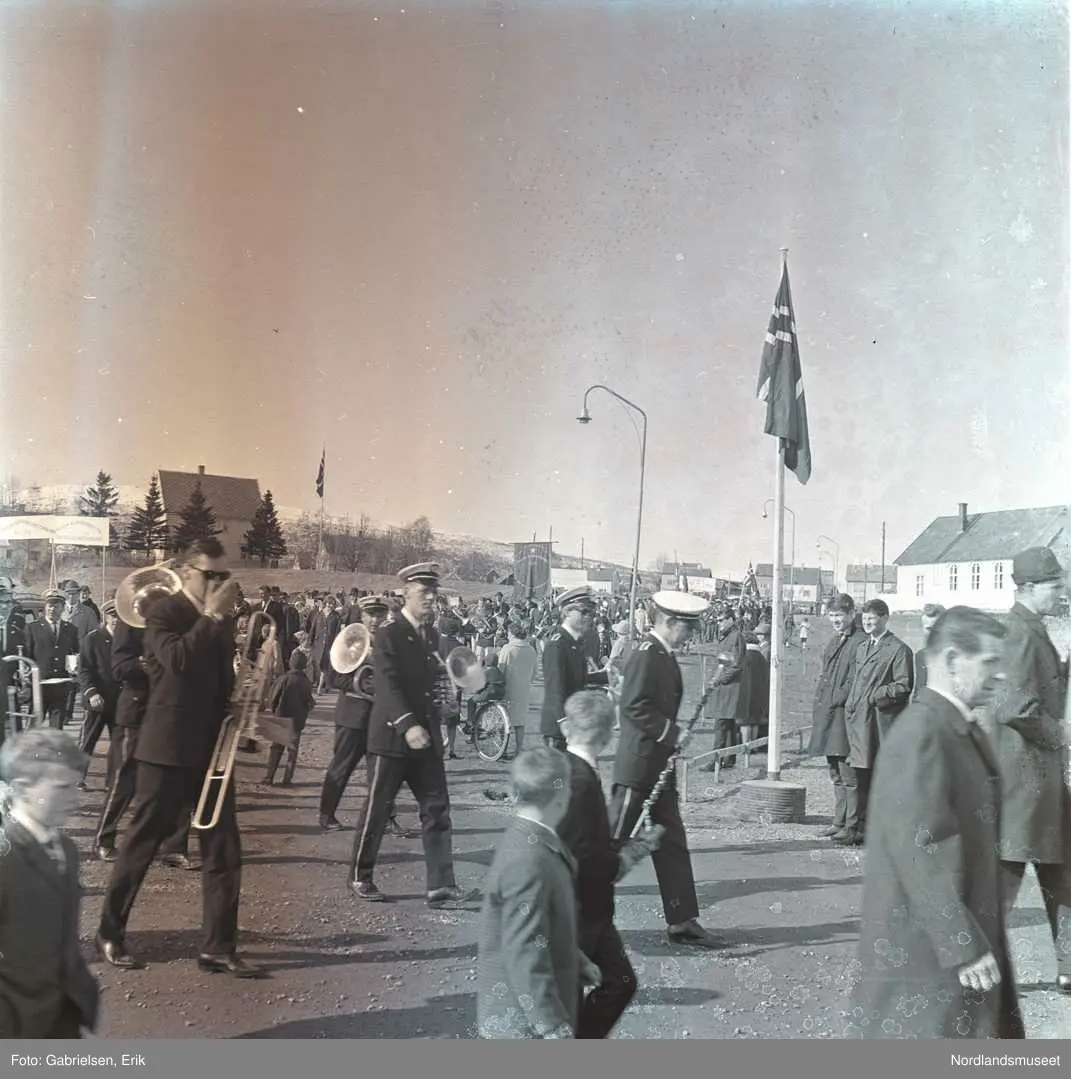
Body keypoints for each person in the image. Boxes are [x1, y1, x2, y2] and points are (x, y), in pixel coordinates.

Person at [851, 606, 1024, 1039]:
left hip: (951, 946)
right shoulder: (923, 732)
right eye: (989, 663)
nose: (999, 677)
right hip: (927, 955)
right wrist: (962, 946)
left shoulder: (956, 725)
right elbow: (920, 848)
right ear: (950, 661)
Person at [96, 538, 260, 977]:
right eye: (212, 575)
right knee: (140, 843)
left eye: (225, 577)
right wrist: (212, 616)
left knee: (223, 849)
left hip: (208, 749)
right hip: (166, 748)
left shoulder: (219, 620)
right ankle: (110, 932)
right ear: (187, 571)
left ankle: (217, 948)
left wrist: (239, 708)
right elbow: (178, 662)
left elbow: (216, 682)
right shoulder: (164, 612)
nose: (220, 584)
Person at [349, 563, 470, 905]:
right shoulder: (389, 633)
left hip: (425, 738)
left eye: (434, 592)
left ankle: (441, 884)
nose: (431, 598)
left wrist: (445, 703)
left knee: (437, 810)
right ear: (406, 593)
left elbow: (431, 679)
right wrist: (408, 724)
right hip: (391, 737)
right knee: (377, 808)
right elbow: (387, 685)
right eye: (424, 592)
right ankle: (361, 875)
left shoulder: (430, 634)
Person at [609, 590, 722, 949]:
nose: (691, 635)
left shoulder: (664, 654)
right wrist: (671, 733)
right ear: (668, 622)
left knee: (671, 843)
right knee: (610, 846)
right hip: (638, 768)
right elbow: (633, 706)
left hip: (658, 768)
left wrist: (671, 738)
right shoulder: (646, 655)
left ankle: (681, 919)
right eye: (687, 628)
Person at [989, 546, 1070, 995]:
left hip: (1040, 779)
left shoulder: (1032, 628)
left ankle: (1068, 967)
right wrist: (1063, 734)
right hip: (1024, 779)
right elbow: (1015, 706)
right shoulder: (1019, 633)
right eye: (1054, 584)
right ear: (1027, 588)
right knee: (1008, 872)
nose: (1061, 591)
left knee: (1060, 869)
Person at [558, 690, 662, 1038]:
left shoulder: (568, 769)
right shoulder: (581, 781)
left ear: (566, 727)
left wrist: (628, 845)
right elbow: (584, 858)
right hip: (578, 912)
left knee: (620, 982)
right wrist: (630, 854)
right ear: (606, 736)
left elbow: (585, 843)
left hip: (589, 911)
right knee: (570, 1004)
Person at [477, 746, 600, 1039]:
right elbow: (525, 948)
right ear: (562, 795)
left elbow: (545, 925)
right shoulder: (528, 861)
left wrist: (576, 960)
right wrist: (549, 1022)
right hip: (521, 1025)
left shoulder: (532, 839)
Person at [0, 728, 100, 1037]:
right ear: (23, 787)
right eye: (62, 786)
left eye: (76, 785)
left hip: (63, 1008)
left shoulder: (66, 849)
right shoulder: (6, 856)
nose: (75, 796)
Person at [95, 614, 193, 865]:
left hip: (172, 710)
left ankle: (175, 847)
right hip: (136, 711)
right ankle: (104, 840)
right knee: (123, 780)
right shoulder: (130, 620)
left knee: (176, 780)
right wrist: (146, 663)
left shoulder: (182, 619)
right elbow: (118, 667)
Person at [320, 597, 414, 838]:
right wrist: (369, 686)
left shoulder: (389, 643)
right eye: (370, 615)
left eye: (379, 615)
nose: (375, 620)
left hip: (380, 720)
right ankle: (326, 814)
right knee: (341, 768)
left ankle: (386, 818)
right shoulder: (348, 642)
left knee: (383, 775)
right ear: (361, 616)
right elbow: (334, 679)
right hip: (352, 717)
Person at [840, 598, 913, 846]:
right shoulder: (862, 647)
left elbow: (903, 686)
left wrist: (877, 695)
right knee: (858, 775)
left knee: (875, 776)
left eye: (873, 618)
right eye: (865, 618)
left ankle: (872, 830)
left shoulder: (898, 649)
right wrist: (851, 704)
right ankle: (856, 827)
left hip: (878, 723)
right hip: (857, 720)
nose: (867, 622)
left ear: (885, 618)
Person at [807, 594, 862, 839]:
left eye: (839, 615)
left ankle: (852, 825)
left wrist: (837, 697)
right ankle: (838, 822)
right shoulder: (836, 639)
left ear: (851, 614)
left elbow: (854, 678)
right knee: (835, 772)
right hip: (830, 713)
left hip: (843, 716)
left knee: (848, 773)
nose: (835, 620)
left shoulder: (859, 640)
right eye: (832, 615)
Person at [540, 587, 608, 751]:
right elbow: (554, 688)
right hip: (559, 728)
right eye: (584, 611)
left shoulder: (575, 643)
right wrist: (564, 722)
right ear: (567, 612)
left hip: (574, 723)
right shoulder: (557, 644)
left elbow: (577, 679)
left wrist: (605, 676)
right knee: (558, 777)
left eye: (591, 612)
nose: (589, 617)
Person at [76, 601, 121, 791]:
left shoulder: (128, 639)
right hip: (97, 700)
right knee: (88, 740)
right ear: (106, 617)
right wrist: (92, 693)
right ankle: (78, 777)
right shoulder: (93, 638)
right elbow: (84, 670)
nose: (116, 621)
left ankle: (112, 782)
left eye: (119, 617)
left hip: (119, 700)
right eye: (113, 617)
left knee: (118, 744)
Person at [24, 589, 80, 729]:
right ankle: (31, 751)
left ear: (62, 608)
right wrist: (27, 680)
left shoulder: (71, 629)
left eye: (56, 606)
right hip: (39, 685)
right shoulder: (33, 628)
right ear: (45, 607)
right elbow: (27, 656)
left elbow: (73, 653)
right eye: (49, 605)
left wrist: (72, 672)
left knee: (57, 729)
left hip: (61, 684)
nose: (52, 609)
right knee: (34, 728)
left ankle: (54, 752)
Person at [259, 650, 315, 787]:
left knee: (276, 749)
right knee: (292, 751)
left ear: (291, 663)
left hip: (281, 717)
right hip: (297, 721)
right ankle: (287, 779)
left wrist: (274, 711)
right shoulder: (306, 682)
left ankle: (269, 777)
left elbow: (273, 697)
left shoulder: (284, 678)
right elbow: (310, 702)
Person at [703, 607, 748, 771]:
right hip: (725, 686)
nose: (719, 623)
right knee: (728, 723)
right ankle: (729, 758)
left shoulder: (736, 637)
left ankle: (716, 760)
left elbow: (736, 665)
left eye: (722, 620)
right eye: (718, 621)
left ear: (731, 619)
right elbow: (724, 662)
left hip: (730, 687)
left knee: (721, 723)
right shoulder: (727, 637)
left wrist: (719, 680)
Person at [497, 621, 538, 755]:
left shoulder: (507, 649)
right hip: (524, 688)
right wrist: (527, 682)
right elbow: (535, 671)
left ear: (512, 634)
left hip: (508, 687)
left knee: (503, 720)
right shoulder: (531, 649)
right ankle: (518, 749)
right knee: (520, 722)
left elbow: (501, 669)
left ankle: (502, 749)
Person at [912, 603, 946, 700]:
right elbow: (918, 691)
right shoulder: (921, 656)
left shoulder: (959, 655)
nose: (932, 633)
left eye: (936, 628)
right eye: (928, 629)